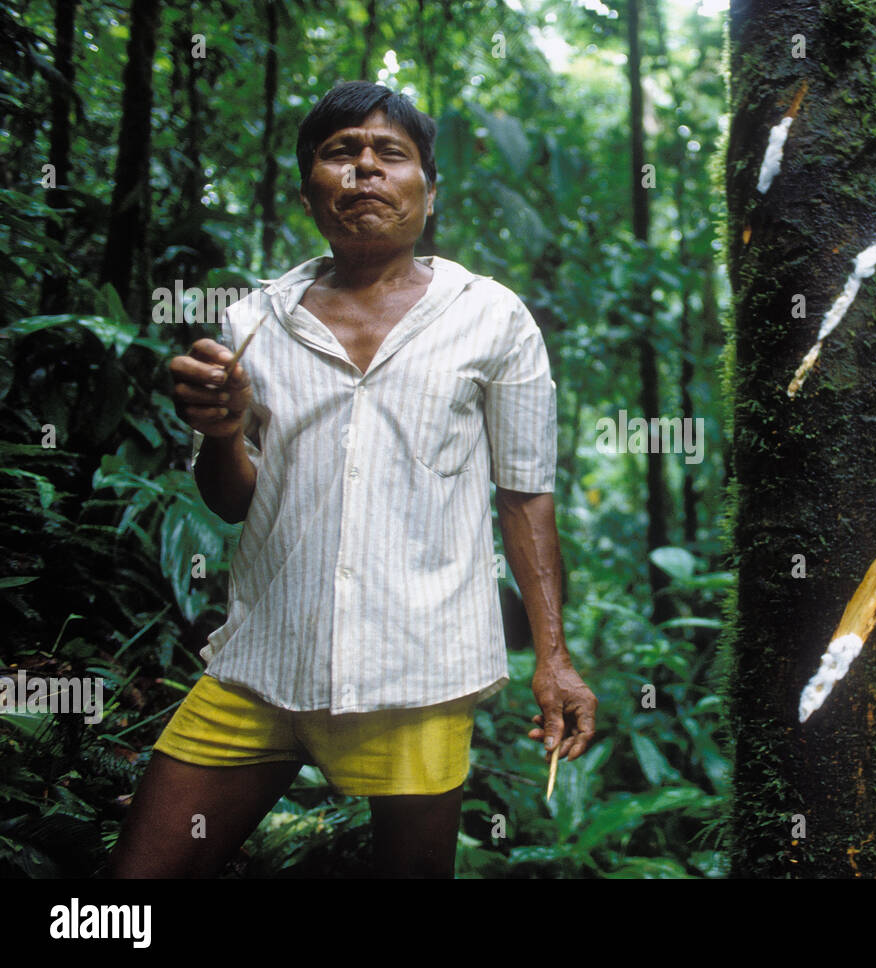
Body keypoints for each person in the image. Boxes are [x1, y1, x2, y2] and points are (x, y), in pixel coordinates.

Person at [109, 81, 597, 878]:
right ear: (310, 191)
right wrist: (224, 430)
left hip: (419, 671)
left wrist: (553, 659)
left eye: (389, 154)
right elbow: (232, 501)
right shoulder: (254, 322)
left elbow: (525, 493)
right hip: (262, 663)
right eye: (341, 153)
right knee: (129, 892)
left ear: (428, 195)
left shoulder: (493, 317)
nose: (364, 169)